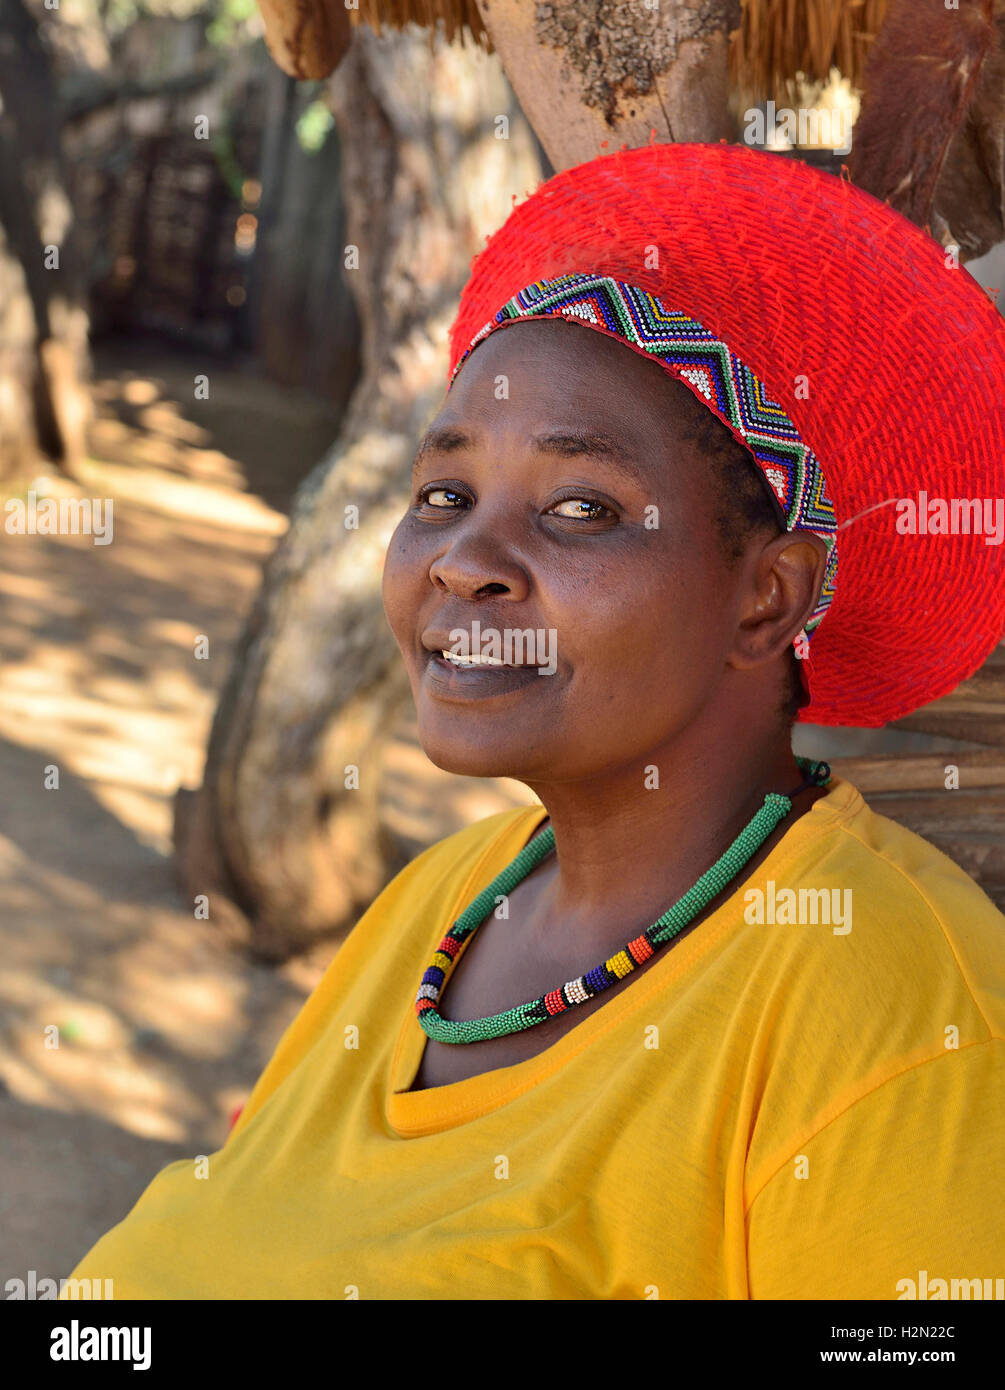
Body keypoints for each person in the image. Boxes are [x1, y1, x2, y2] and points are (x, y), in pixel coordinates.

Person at [64, 141, 1005, 1299]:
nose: (463, 563)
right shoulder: (442, 902)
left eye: (579, 506)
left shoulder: (880, 1007)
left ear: (767, 597)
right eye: (445, 496)